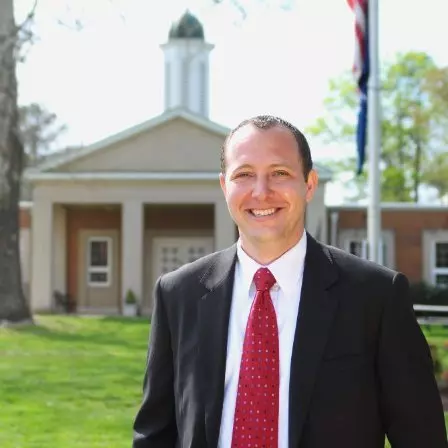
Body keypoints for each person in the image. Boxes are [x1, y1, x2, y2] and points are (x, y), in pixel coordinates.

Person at [133, 115, 447, 448]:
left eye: (279, 173)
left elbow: (422, 437)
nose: (261, 191)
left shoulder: (376, 296)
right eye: (245, 175)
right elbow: (155, 433)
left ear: (309, 184)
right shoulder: (179, 294)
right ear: (225, 187)